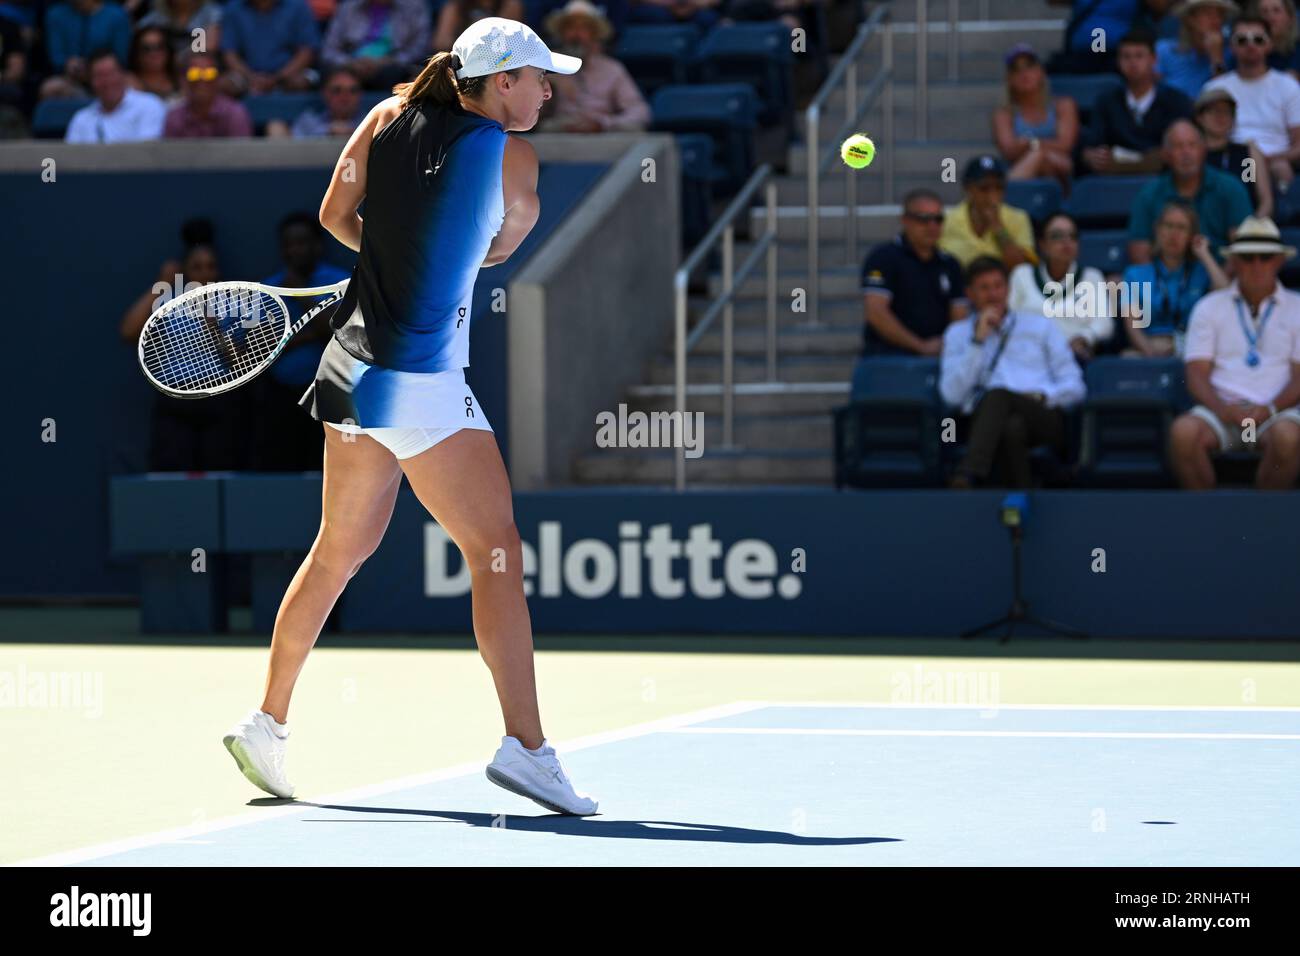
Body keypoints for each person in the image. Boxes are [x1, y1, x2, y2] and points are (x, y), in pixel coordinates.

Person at [221, 18, 599, 816]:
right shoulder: (514, 158)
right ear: (501, 82)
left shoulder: (384, 116)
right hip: (417, 377)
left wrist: (391, 256)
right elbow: (498, 248)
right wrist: (426, 256)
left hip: (352, 372)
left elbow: (335, 213)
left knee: (337, 552)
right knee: (495, 550)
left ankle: (267, 723)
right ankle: (528, 751)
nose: (548, 90)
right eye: (537, 77)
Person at [1169, 216, 1300, 487]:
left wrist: (1270, 409)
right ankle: (1207, 521)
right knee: (1182, 433)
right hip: (1220, 411)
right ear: (1235, 261)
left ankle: (1262, 521)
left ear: (1278, 261)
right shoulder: (1209, 307)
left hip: (1276, 414)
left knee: (1288, 437)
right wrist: (1223, 409)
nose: (1256, 265)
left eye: (1265, 257)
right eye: (1248, 257)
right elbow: (1195, 373)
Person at [940, 256, 1087, 488]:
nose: (993, 294)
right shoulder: (958, 334)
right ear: (969, 293)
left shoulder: (1040, 326)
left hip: (1043, 415)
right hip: (982, 422)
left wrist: (1043, 396)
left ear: (1008, 289)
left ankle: (968, 473)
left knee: (1000, 396)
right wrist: (977, 343)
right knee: (1011, 425)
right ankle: (1020, 504)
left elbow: (1075, 386)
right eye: (984, 288)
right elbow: (951, 396)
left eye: (998, 286)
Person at [120, 218, 251, 471]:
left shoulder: (233, 301)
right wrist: (163, 281)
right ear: (186, 271)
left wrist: (214, 327)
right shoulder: (167, 300)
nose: (205, 274)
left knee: (220, 470)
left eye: (210, 267)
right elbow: (127, 331)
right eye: (197, 267)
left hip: (219, 399)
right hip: (175, 398)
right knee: (172, 475)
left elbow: (241, 361)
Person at [249, 213, 350, 470]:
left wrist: (301, 295)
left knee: (325, 468)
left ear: (318, 245)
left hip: (329, 395)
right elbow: (260, 349)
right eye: (289, 244)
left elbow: (341, 336)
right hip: (279, 396)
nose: (296, 249)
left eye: (302, 242)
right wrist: (309, 334)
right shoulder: (268, 289)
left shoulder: (341, 283)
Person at [859, 188, 968, 356]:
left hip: (940, 356)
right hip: (887, 357)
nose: (932, 226)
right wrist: (920, 346)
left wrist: (944, 345)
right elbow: (876, 313)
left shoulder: (950, 264)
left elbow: (959, 316)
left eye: (938, 219)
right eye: (923, 219)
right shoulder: (882, 258)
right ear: (905, 220)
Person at [1127, 118, 1253, 263]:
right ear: (1166, 155)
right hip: (1164, 280)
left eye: (1192, 145)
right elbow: (1139, 252)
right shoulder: (1149, 194)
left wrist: (1220, 282)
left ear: (1203, 150)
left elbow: (1243, 248)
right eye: (1178, 146)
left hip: (1222, 278)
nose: (1186, 153)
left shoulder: (1230, 187)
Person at [1201, 14, 1300, 189]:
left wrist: (1268, 160)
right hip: (1228, 160)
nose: (1250, 45)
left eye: (1258, 39)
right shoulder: (1215, 87)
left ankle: (1268, 214)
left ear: (1270, 44)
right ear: (1231, 47)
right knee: (1245, 167)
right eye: (1242, 40)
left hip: (1274, 161)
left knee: (1275, 169)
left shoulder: (1288, 86)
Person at [1121, 199, 1230, 354]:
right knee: (1128, 357)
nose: (1174, 234)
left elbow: (1225, 295)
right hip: (1148, 349)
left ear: (1191, 236)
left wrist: (1204, 255)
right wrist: (1150, 353)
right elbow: (1132, 325)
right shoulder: (1134, 274)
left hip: (1194, 348)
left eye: (1181, 228)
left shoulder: (1201, 272)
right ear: (1157, 231)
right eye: (1168, 226)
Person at [1082, 29, 1193, 175]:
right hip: (1115, 179)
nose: (1133, 63)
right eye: (1126, 57)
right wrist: (1090, 155)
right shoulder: (1106, 101)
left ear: (1153, 59)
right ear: (1118, 61)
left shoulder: (1177, 101)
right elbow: (1093, 145)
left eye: (1139, 56)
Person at [1008, 212, 1115, 362]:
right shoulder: (1022, 274)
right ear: (1042, 244)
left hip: (1073, 357)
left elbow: (1105, 323)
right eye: (1057, 236)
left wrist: (1085, 337)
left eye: (1073, 236)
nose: (1066, 242)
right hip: (1027, 357)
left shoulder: (1092, 276)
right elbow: (1009, 319)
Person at [536, 0, 649, 133]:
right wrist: (545, 81)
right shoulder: (546, 66)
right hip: (558, 136)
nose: (576, 35)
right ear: (561, 34)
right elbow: (526, 115)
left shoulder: (612, 69)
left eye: (584, 28)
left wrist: (602, 124)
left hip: (603, 137)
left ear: (595, 34)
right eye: (570, 28)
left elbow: (640, 113)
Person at [992, 43, 1079, 188]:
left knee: (1041, 156)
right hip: (1030, 168)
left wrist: (1031, 144)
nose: (1024, 73)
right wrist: (1041, 150)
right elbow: (1009, 151)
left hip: (1060, 170)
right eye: (1016, 69)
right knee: (1041, 157)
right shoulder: (1003, 114)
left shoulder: (1063, 105)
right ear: (1010, 79)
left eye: (1029, 66)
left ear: (1041, 72)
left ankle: (1005, 194)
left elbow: (1065, 145)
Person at [939, 155, 1038, 270]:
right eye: (984, 189)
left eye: (999, 188)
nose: (993, 196)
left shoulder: (1019, 218)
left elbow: (1021, 269)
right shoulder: (946, 219)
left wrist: (997, 226)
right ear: (968, 189)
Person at [1194, 86, 1273, 215]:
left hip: (1245, 222)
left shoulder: (1248, 155)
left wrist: (1252, 227)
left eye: (1226, 112)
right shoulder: (1191, 153)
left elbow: (1265, 201)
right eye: (1214, 111)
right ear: (1200, 117)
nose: (1220, 117)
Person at [320, 0, 431, 91]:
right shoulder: (347, 7)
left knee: (396, 74)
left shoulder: (414, 6)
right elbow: (329, 50)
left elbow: (419, 48)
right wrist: (350, 63)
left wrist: (388, 61)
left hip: (393, 67)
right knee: (332, 75)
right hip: (351, 66)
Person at [65, 49, 167, 143]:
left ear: (123, 74)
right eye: (99, 76)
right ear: (91, 81)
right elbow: (70, 159)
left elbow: (148, 154)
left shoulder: (150, 105)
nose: (107, 81)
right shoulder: (81, 119)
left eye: (111, 74)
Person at [219, 0, 319, 95]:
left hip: (288, 75)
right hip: (245, 76)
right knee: (225, 83)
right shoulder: (234, 9)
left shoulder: (298, 6)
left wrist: (278, 77)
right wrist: (251, 77)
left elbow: (307, 50)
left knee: (302, 81)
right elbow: (229, 53)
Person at [40, 0, 133, 99]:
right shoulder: (55, 15)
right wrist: (67, 64)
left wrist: (95, 69)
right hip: (71, 78)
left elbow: (121, 57)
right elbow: (56, 56)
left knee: (132, 84)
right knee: (50, 88)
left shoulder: (117, 15)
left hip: (108, 74)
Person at [1155, 0, 1237, 100]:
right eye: (1208, 14)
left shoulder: (1230, 53)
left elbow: (1224, 96)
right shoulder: (1165, 50)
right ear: (1190, 19)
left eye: (1220, 15)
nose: (1216, 20)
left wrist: (1216, 58)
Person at [163, 50, 254, 137]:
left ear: (218, 79)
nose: (202, 79)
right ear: (183, 80)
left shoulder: (235, 114)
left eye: (209, 73)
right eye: (194, 74)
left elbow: (241, 153)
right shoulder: (175, 118)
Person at [276, 64, 365, 137]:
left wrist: (357, 133)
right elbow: (295, 150)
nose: (345, 96)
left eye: (352, 91)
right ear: (325, 93)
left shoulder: (371, 123)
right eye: (337, 90)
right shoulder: (308, 121)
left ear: (360, 94)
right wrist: (327, 132)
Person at [138, 0, 224, 60]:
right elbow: (139, 40)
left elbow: (208, 46)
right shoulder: (155, 18)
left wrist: (175, 60)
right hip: (165, 73)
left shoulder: (211, 13)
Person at [432, 0, 526, 53]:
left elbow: (511, 46)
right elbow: (441, 43)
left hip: (498, 65)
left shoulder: (511, 5)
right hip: (461, 63)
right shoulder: (455, 7)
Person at [127, 25, 180, 103]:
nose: (154, 53)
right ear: (136, 53)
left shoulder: (182, 80)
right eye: (146, 49)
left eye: (159, 46)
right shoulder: (128, 85)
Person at [1251, 0, 1300, 76]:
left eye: (1276, 10)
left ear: (1291, 18)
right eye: (1264, 11)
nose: (1270, 17)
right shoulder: (1247, 48)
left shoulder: (1297, 50)